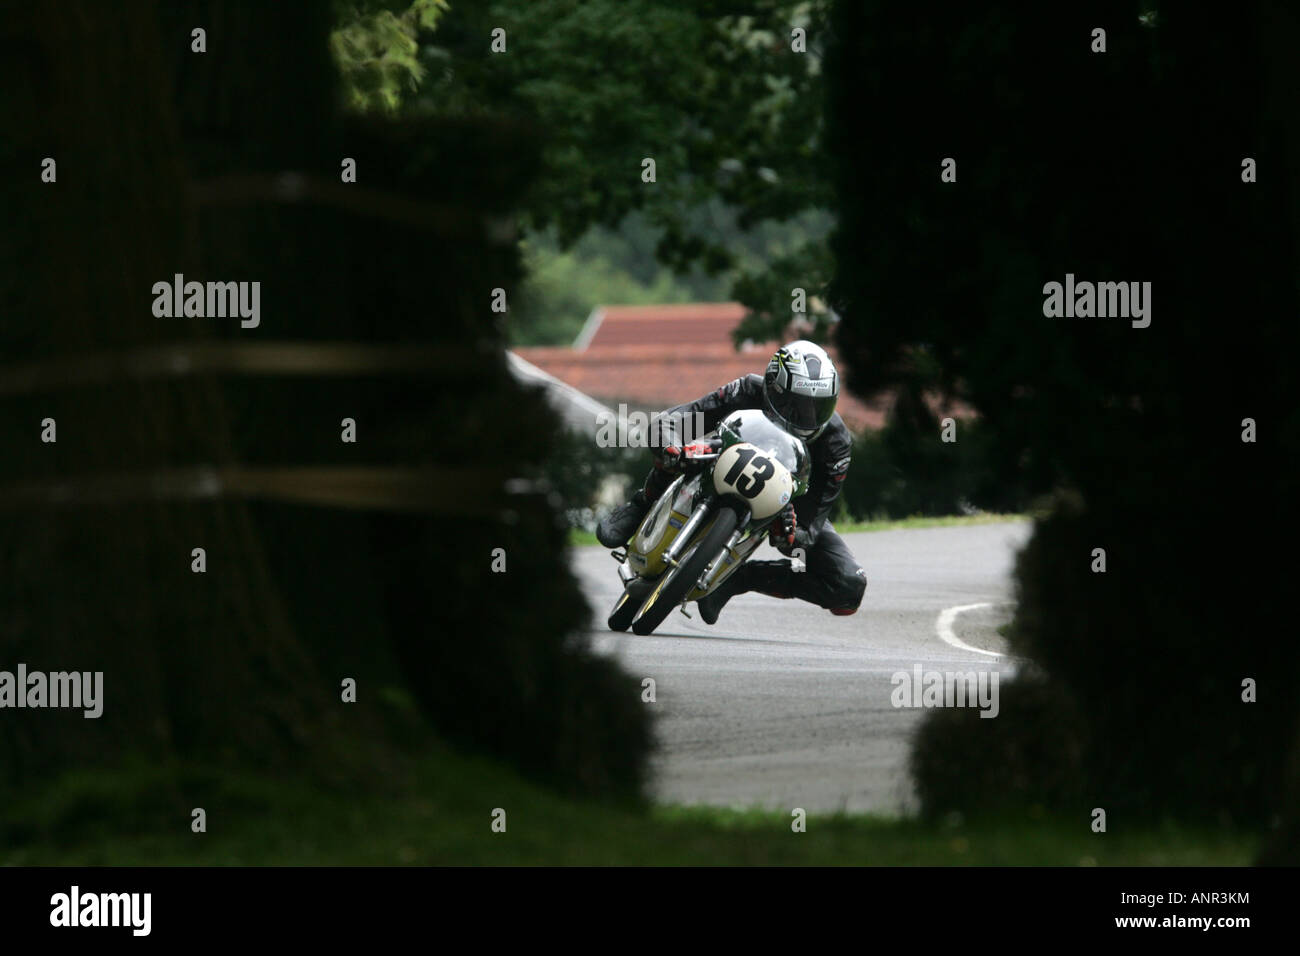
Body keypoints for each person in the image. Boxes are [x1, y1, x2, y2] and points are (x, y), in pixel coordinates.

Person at [596, 340, 867, 623]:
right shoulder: (748, 389)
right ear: (773, 388)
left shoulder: (836, 443)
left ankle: (740, 578)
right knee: (675, 452)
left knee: (848, 588)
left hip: (789, 501)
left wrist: (789, 534)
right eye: (797, 405)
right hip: (718, 458)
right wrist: (673, 449)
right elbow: (675, 421)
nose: (807, 417)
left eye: (818, 407)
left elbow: (808, 530)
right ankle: (642, 503)